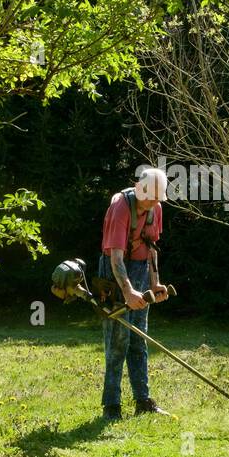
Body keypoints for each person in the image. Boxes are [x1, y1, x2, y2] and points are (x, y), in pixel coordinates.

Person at [99, 166, 169, 421]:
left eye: (158, 199)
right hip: (114, 273)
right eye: (151, 197)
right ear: (140, 189)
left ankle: (143, 401)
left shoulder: (156, 208)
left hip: (140, 269)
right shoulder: (120, 207)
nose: (153, 203)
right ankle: (111, 406)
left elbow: (152, 248)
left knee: (139, 339)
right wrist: (127, 291)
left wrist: (155, 283)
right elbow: (116, 257)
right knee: (118, 342)